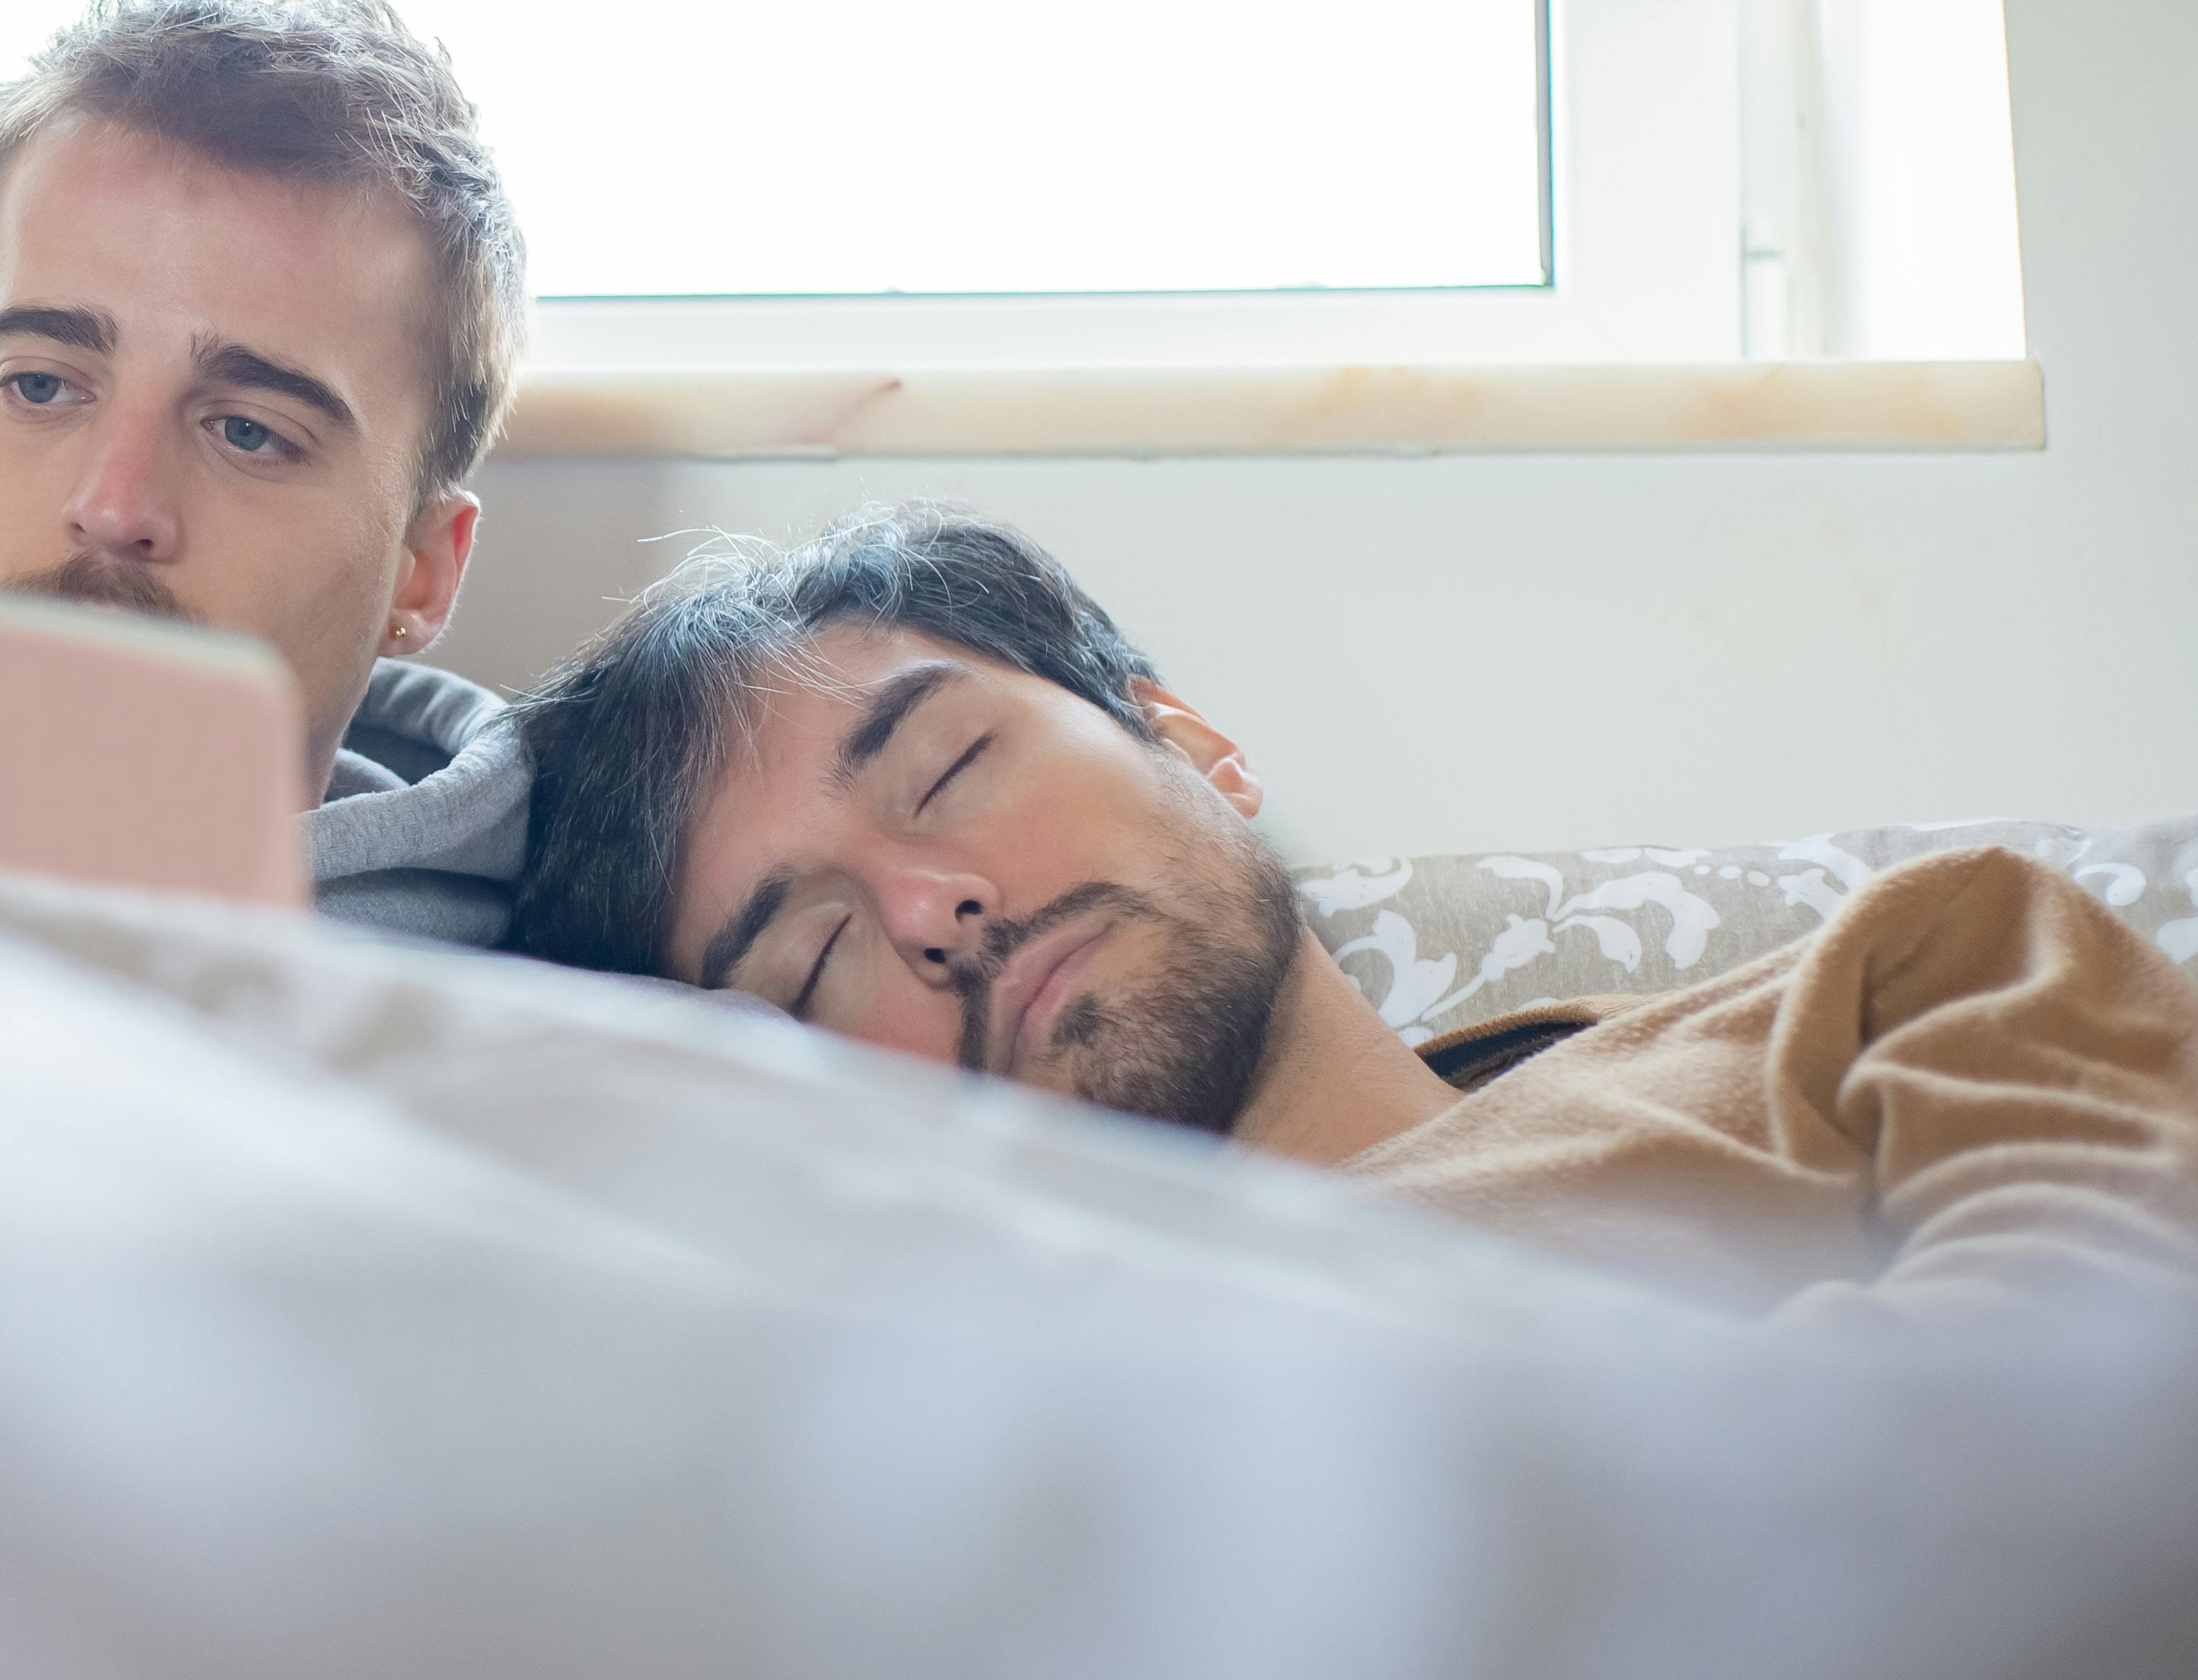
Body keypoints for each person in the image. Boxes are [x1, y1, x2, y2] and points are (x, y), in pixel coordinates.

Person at [508, 502, 2198, 1312]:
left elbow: (2093, 1449)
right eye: (812, 956)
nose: (935, 905)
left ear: (1190, 744)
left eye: (948, 770)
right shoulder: (977, 1395)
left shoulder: (1907, 976)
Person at [0, 0, 529, 944]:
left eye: (246, 432)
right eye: (40, 387)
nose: (114, 508)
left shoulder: (579, 1046)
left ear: (423, 572)